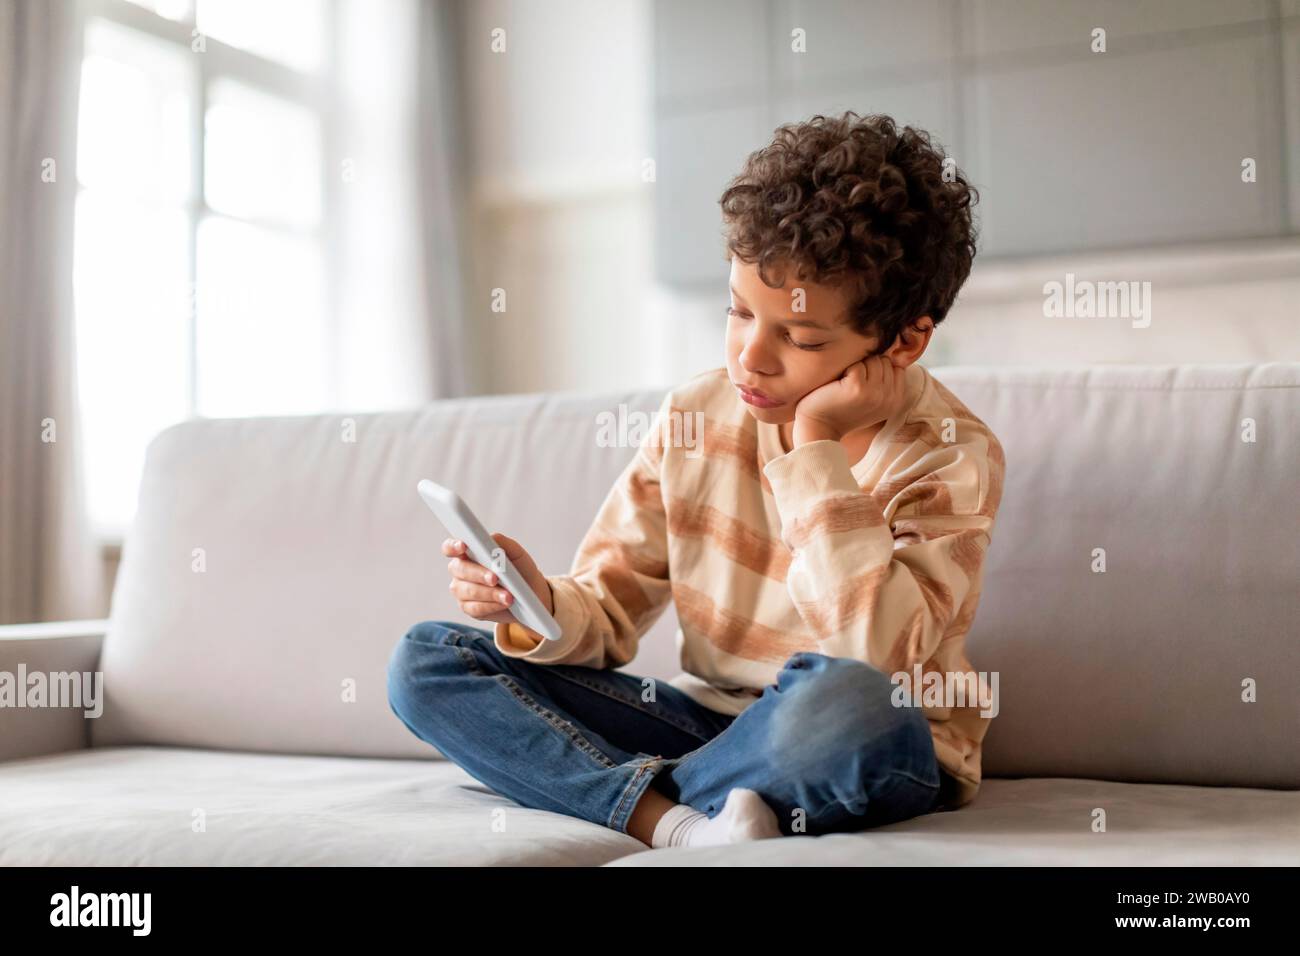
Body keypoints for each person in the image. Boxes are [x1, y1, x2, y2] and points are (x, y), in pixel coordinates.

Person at [388, 111, 1004, 849]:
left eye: (799, 337)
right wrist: (538, 601)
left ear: (904, 341)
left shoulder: (950, 454)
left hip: (853, 731)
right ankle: (680, 824)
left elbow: (875, 656)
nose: (750, 357)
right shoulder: (696, 415)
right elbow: (609, 610)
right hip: (701, 722)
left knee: (853, 705)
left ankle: (614, 792)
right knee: (427, 661)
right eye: (739, 311)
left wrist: (814, 447)